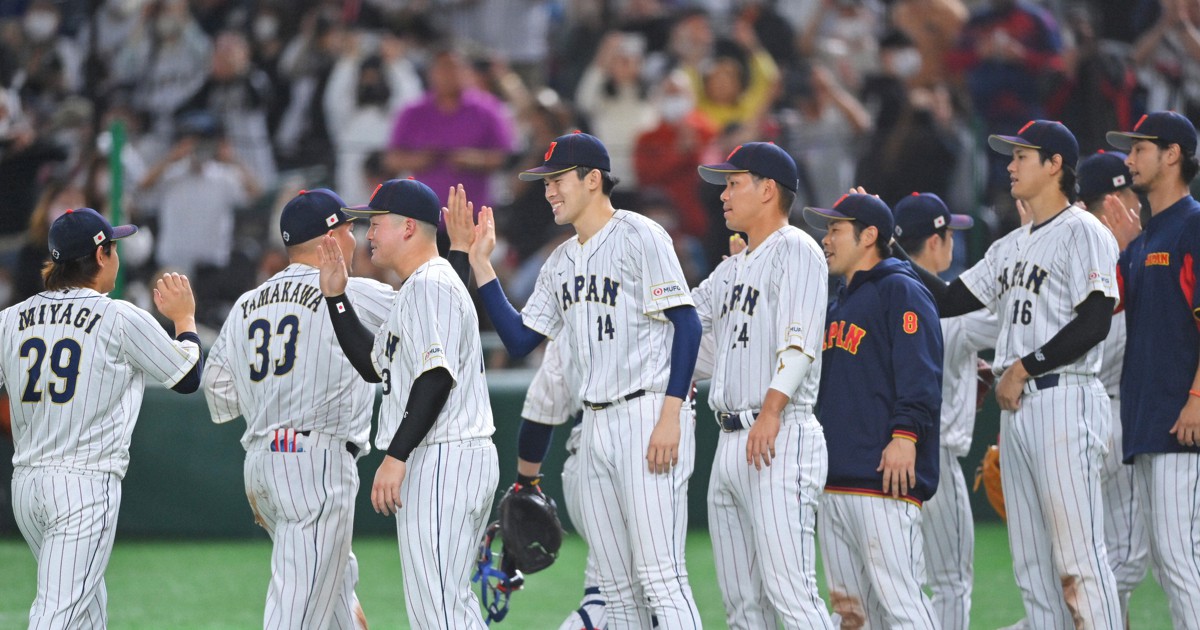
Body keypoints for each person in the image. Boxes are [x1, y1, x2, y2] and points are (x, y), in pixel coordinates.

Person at [467, 131, 703, 627]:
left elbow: (688, 323)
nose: (548, 190)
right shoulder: (558, 262)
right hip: (592, 426)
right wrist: (481, 264)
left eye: (557, 180)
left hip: (646, 413)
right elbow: (518, 340)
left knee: (661, 578)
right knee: (615, 591)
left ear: (593, 179)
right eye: (546, 181)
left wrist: (671, 413)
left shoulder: (641, 234)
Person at [913, 120, 1122, 628]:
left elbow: (1095, 321)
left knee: (1079, 560)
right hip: (1021, 409)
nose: (1009, 164)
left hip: (1065, 398)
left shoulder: (1085, 230)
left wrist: (1024, 367)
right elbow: (948, 299)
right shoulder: (1011, 245)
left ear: (1055, 165)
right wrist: (881, 247)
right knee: (1032, 569)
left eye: (1022, 156)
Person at [0, 207, 202, 628]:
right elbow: (187, 378)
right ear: (99, 256)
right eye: (113, 247)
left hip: (27, 486)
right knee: (58, 614)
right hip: (83, 486)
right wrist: (184, 320)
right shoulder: (118, 315)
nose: (117, 256)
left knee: (88, 610)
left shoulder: (10, 319)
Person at [201, 189, 394, 629]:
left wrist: (275, 392)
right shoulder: (355, 294)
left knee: (336, 593)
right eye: (348, 229)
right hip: (315, 465)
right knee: (297, 613)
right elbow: (431, 313)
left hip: (262, 466)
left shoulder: (245, 305)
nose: (355, 238)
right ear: (330, 237)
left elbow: (219, 395)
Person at [317, 178, 498, 629]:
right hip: (450, 456)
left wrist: (395, 455)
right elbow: (371, 365)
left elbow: (436, 376)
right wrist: (337, 298)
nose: (368, 235)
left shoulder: (430, 284)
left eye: (376, 223)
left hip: (444, 456)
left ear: (409, 229)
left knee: (437, 610)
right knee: (444, 606)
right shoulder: (423, 286)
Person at [691, 142, 833, 628]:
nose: (723, 195)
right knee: (743, 608)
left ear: (768, 189)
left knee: (790, 595)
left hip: (779, 433)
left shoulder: (797, 249)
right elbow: (682, 322)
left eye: (734, 183)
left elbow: (799, 345)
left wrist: (771, 412)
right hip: (732, 438)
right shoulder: (732, 267)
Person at [802, 193, 942, 629]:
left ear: (869, 236)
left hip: (885, 475)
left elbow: (920, 372)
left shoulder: (900, 288)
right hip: (837, 477)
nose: (826, 239)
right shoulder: (837, 302)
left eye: (836, 229)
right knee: (852, 615)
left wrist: (906, 435)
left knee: (901, 606)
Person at [1103, 110, 1200, 628]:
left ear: (1172, 155)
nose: (1129, 158)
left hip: (1180, 422)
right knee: (1172, 561)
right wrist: (1123, 250)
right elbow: (1114, 309)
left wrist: (1196, 399)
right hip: (1148, 422)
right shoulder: (1144, 240)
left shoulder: (1193, 224)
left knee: (1181, 562)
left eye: (1141, 148)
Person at [893, 192, 996, 630]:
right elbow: (1014, 321)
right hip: (937, 460)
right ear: (935, 242)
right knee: (951, 582)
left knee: (897, 583)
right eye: (950, 233)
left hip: (884, 459)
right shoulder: (960, 309)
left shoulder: (883, 294)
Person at [1076, 150, 1151, 623]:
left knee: (1089, 553)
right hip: (1112, 413)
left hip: (1073, 412)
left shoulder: (1060, 244)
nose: (1136, 205)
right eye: (1127, 194)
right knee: (1121, 560)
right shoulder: (1119, 255)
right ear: (1110, 201)